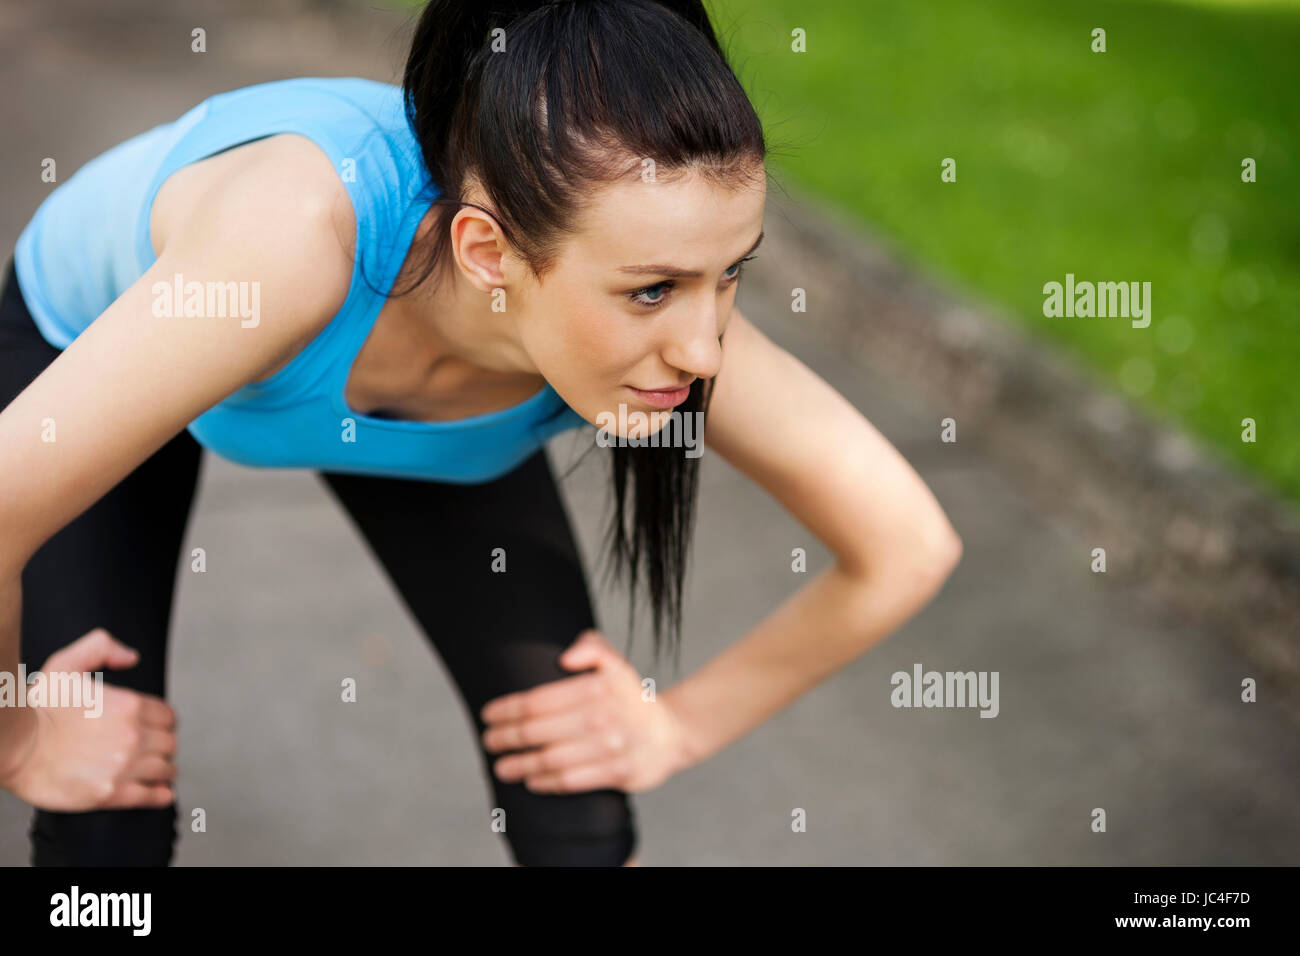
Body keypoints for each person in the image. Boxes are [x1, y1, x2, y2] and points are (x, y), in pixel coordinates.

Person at [0, 0, 961, 867]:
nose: (706, 350)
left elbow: (904, 546)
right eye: (653, 289)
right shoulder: (286, 249)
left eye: (730, 273)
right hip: (102, 336)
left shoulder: (663, 324)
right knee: (102, 822)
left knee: (577, 806)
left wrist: (679, 729)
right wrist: (19, 736)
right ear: (487, 251)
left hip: (413, 395)